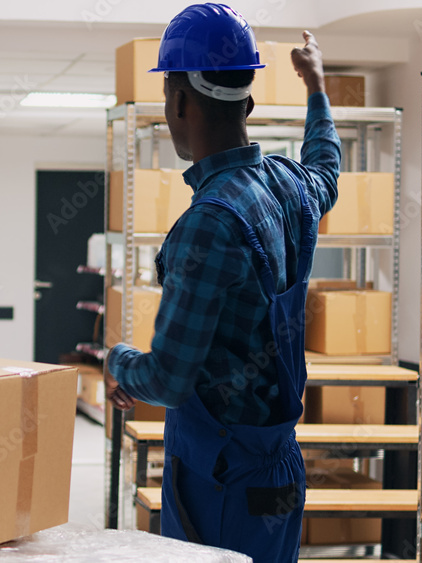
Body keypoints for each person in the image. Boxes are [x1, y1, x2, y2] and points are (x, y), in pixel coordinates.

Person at [103, 5, 340, 562]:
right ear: (248, 103)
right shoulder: (288, 184)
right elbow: (326, 167)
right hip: (280, 469)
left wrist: (117, 361)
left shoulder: (206, 224)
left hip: (221, 480)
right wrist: (317, 88)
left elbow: (170, 378)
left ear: (179, 101)